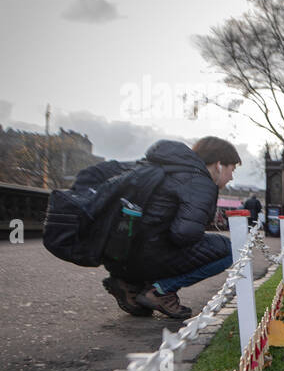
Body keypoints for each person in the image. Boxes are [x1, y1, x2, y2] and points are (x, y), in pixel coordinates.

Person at [101, 137, 240, 321]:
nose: (231, 177)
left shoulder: (165, 170)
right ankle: (161, 291)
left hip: (121, 255)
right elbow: (184, 234)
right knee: (230, 250)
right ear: (219, 165)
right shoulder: (200, 182)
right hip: (150, 256)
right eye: (232, 169)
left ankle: (130, 284)